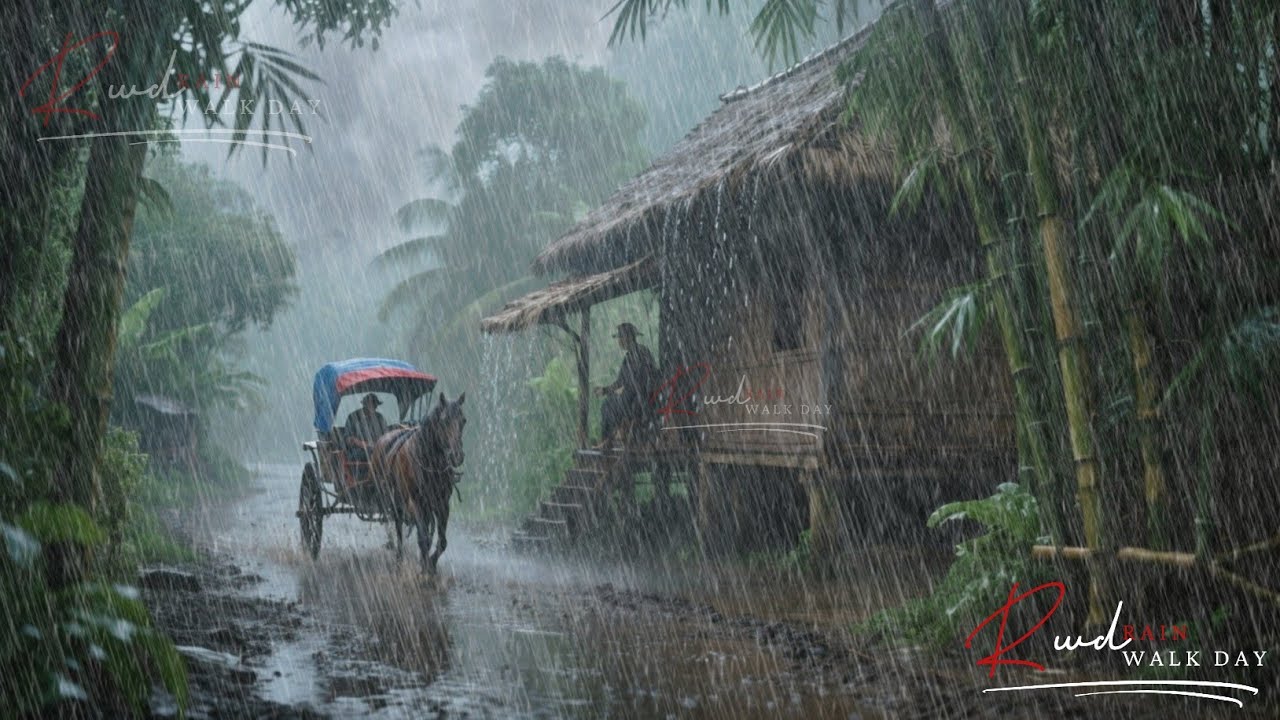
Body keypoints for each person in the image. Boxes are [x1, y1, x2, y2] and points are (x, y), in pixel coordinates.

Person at [596, 322, 658, 449]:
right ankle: (616, 435)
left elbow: (622, 382)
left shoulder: (633, 355)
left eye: (620, 337)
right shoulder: (643, 351)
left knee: (607, 405)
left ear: (628, 338)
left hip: (637, 398)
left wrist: (605, 390)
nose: (619, 341)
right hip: (648, 396)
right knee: (614, 401)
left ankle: (607, 440)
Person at [344, 393, 388, 461]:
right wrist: (362, 444)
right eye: (370, 404)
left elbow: (386, 436)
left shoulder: (380, 418)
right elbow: (348, 439)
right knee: (370, 454)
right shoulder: (353, 417)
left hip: (378, 449)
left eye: (375, 404)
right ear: (364, 404)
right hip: (357, 451)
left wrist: (377, 445)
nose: (373, 406)